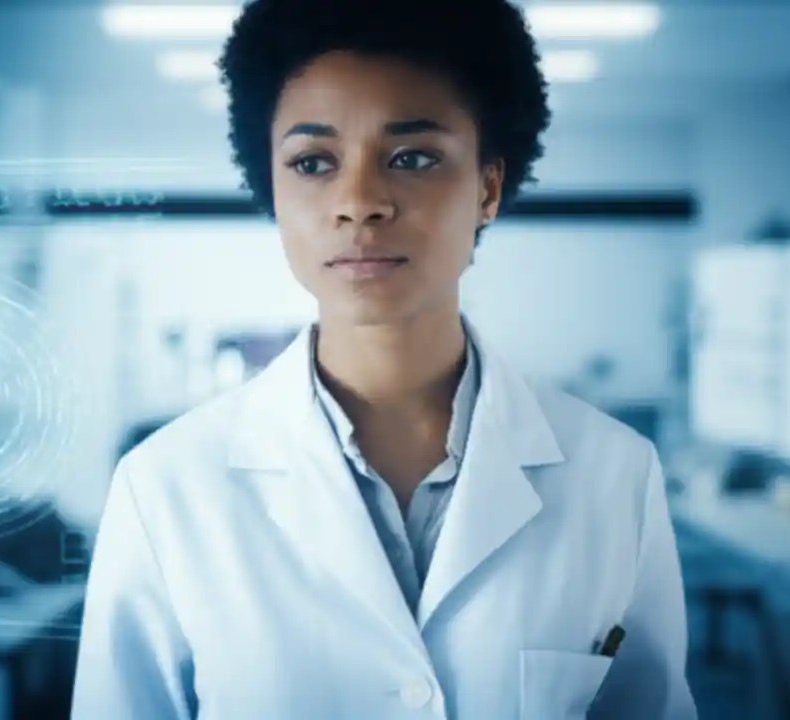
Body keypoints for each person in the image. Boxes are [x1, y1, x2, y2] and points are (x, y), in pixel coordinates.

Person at [71, 0, 697, 717]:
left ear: (487, 188)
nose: (360, 201)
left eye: (412, 158)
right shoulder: (165, 490)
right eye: (313, 162)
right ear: (271, 189)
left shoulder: (614, 476)